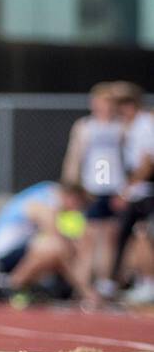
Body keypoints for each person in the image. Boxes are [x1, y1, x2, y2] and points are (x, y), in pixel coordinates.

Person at [61, 82, 127, 298]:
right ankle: (83, 288)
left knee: (110, 239)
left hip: (114, 188)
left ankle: (104, 284)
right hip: (91, 187)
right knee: (87, 240)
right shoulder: (85, 126)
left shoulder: (121, 126)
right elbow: (75, 156)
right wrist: (70, 185)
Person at [0, 180, 95, 306]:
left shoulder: (46, 194)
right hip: (6, 252)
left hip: (20, 249)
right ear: (71, 197)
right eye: (79, 205)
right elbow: (58, 241)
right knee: (55, 248)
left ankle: (35, 286)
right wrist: (83, 287)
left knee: (60, 249)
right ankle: (13, 285)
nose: (76, 211)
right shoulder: (45, 201)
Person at [109, 82, 154, 302]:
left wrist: (127, 190)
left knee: (141, 232)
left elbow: (146, 162)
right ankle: (134, 280)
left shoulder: (144, 125)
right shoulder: (129, 127)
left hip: (144, 191)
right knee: (131, 236)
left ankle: (148, 281)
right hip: (137, 190)